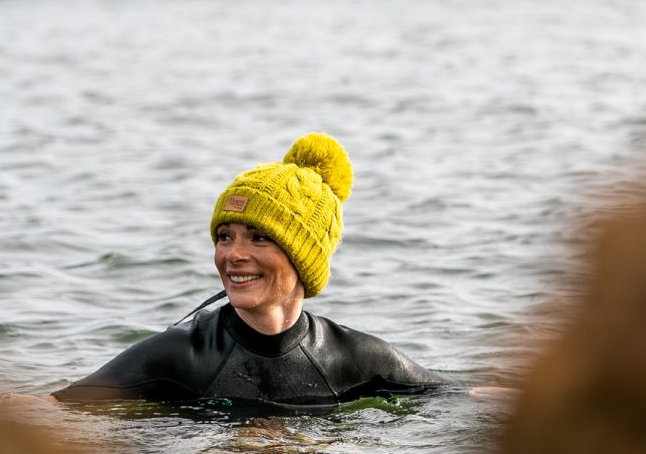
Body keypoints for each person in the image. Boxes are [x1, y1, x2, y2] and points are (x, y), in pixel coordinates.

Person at [52, 133, 451, 411]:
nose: (234, 255)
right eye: (225, 237)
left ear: (303, 258)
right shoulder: (177, 356)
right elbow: (51, 409)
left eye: (259, 238)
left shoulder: (356, 358)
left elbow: (459, 401)